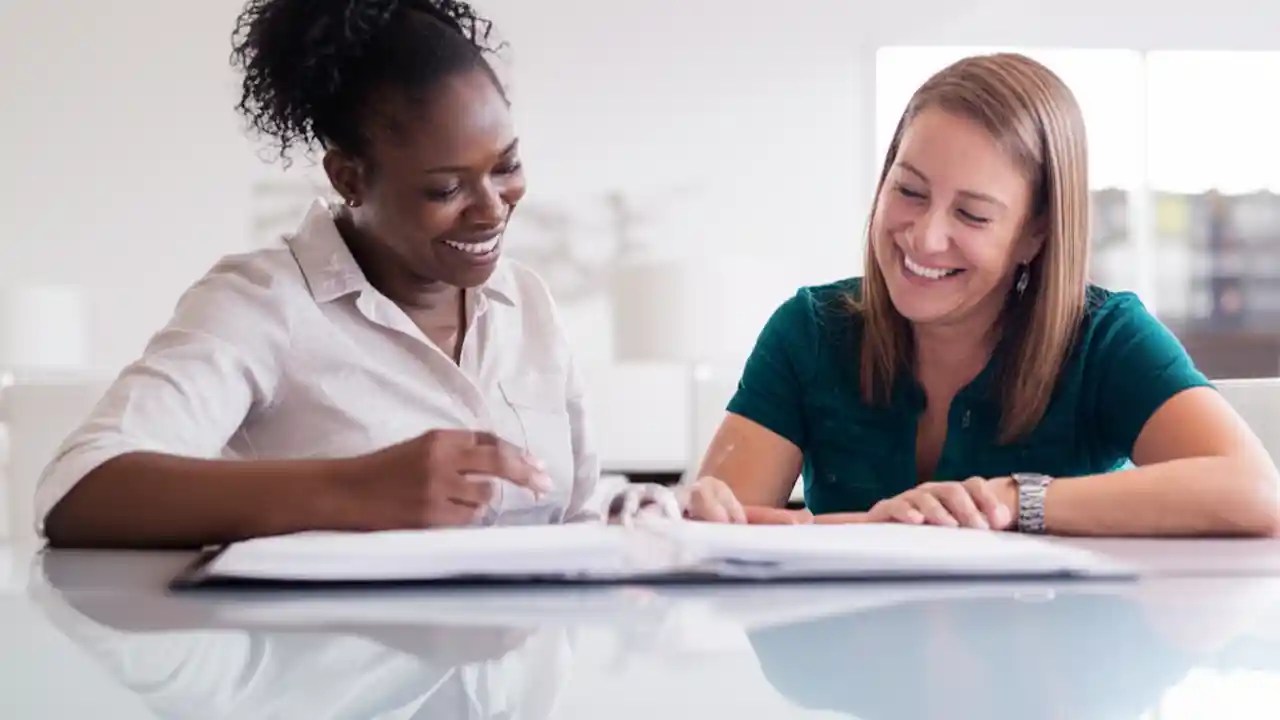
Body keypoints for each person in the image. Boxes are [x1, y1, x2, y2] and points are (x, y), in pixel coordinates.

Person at [37, 0, 600, 548]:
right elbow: (79, 489)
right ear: (349, 179)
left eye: (507, 166)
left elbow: (582, 522)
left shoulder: (527, 301)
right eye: (445, 188)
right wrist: (354, 487)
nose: (492, 207)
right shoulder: (262, 304)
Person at [683, 53, 1280, 536]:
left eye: (971, 214)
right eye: (910, 191)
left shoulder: (1103, 338)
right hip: (856, 668)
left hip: (1066, 671)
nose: (924, 235)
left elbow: (1256, 492)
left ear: (1035, 234)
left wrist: (1011, 502)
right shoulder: (810, 330)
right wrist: (872, 529)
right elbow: (721, 538)